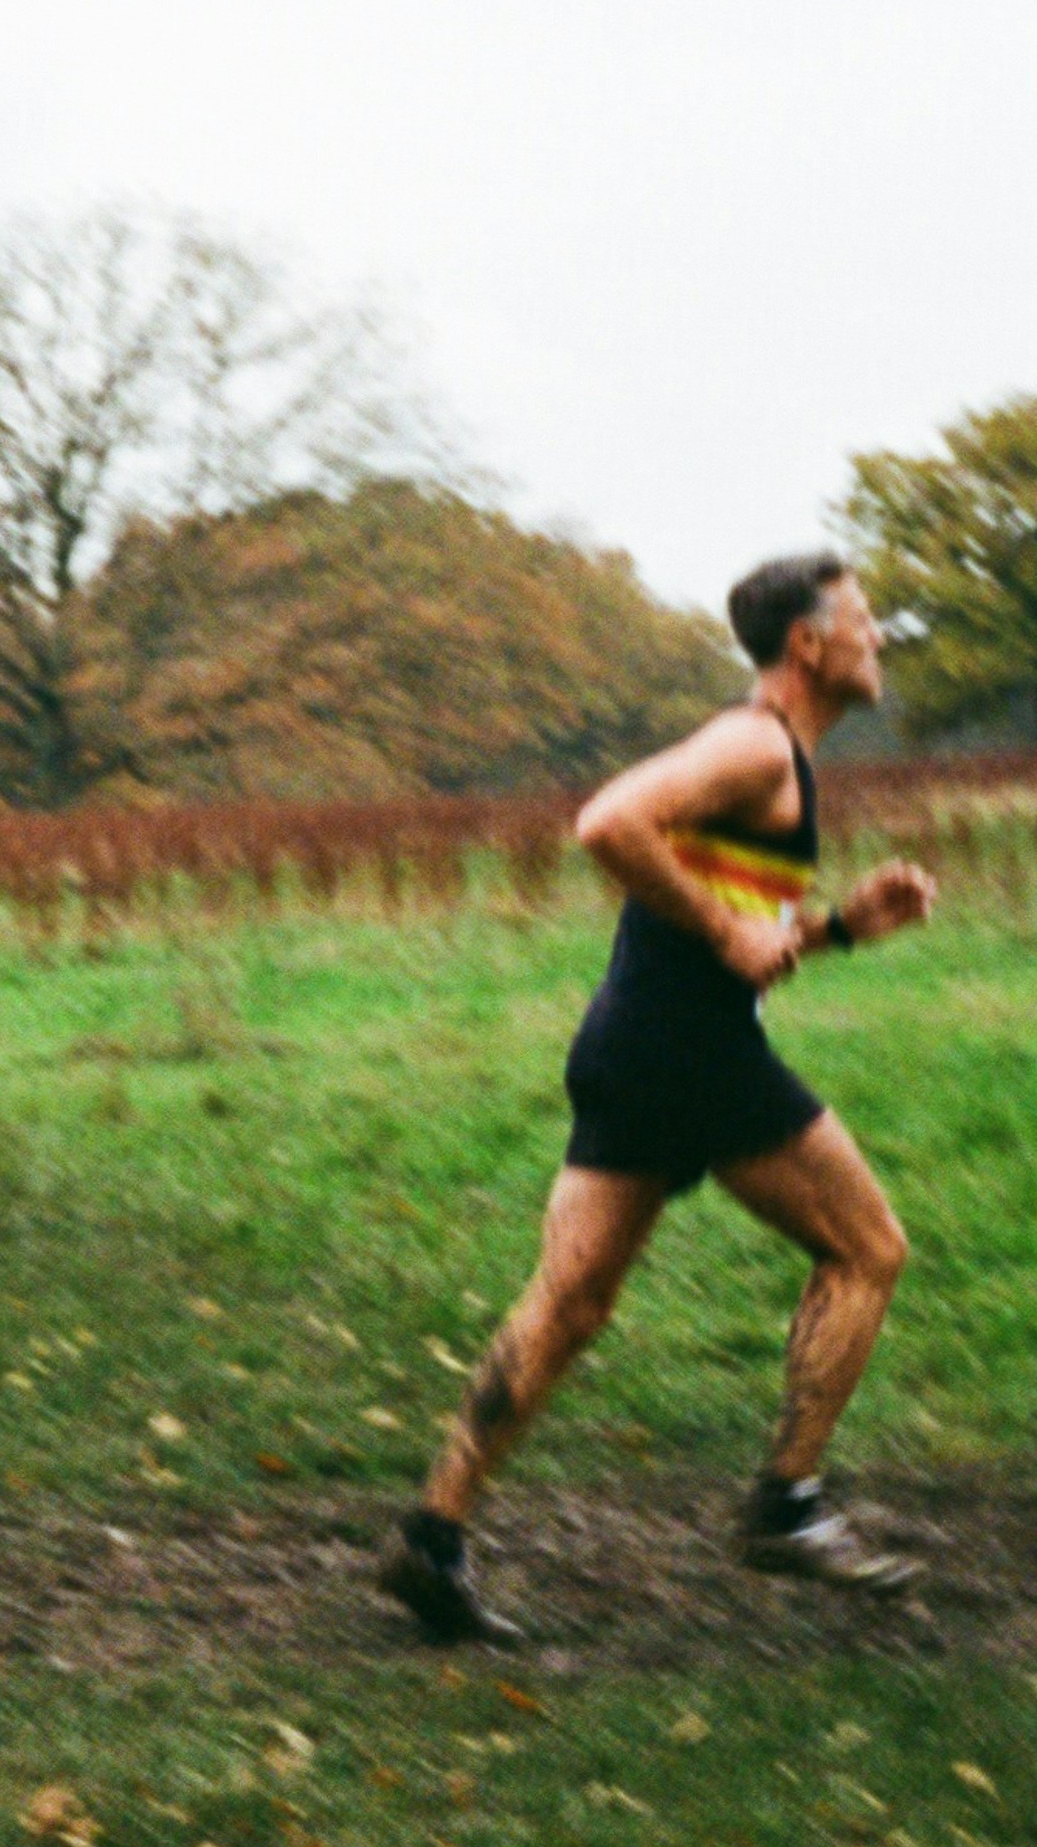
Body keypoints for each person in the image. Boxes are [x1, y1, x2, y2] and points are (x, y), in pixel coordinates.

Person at [381, 552, 941, 1646]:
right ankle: (786, 1500)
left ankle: (430, 1536)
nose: (881, 640)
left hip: (638, 1044)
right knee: (870, 1248)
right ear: (808, 645)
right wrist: (733, 928)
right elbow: (608, 823)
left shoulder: (770, 760)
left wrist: (835, 927)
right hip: (690, 1057)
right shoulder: (753, 744)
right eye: (865, 622)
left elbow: (725, 946)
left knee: (571, 1301)